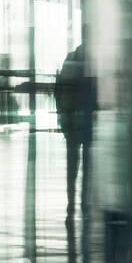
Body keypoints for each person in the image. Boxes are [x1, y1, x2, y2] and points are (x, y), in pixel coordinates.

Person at [55, 43, 95, 224]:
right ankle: (81, 202)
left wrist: (63, 116)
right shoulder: (88, 61)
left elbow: (60, 91)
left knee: (74, 166)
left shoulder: (71, 60)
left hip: (74, 121)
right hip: (80, 121)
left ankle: (73, 203)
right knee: (84, 166)